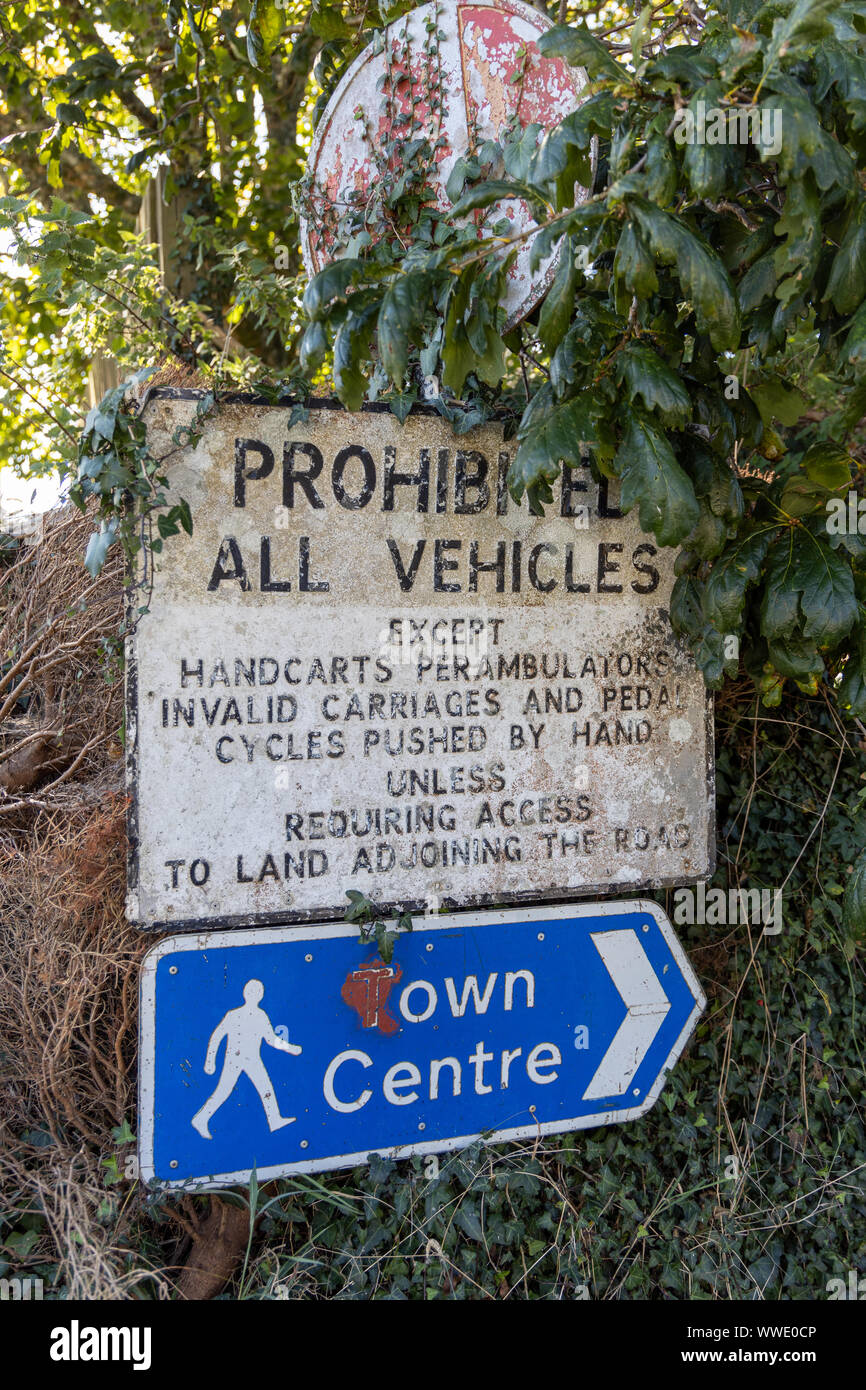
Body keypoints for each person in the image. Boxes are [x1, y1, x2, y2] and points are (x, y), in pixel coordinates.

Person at [191, 978, 302, 1139]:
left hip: (253, 1058)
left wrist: (291, 1048)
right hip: (234, 1058)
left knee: (266, 1089)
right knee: (223, 1091)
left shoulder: (261, 1015)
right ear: (245, 993)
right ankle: (201, 1118)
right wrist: (210, 1061)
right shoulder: (233, 1015)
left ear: (261, 995)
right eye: (251, 991)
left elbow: (271, 1039)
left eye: (258, 992)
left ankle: (275, 1120)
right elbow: (216, 1037)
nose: (254, 994)